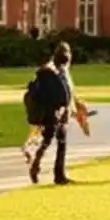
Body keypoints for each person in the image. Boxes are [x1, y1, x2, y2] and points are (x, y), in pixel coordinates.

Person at [29, 42, 75, 186]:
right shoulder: (55, 72)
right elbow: (63, 93)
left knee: (55, 142)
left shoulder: (54, 69)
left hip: (56, 112)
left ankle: (57, 173)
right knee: (52, 141)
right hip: (54, 112)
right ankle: (38, 167)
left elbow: (68, 93)